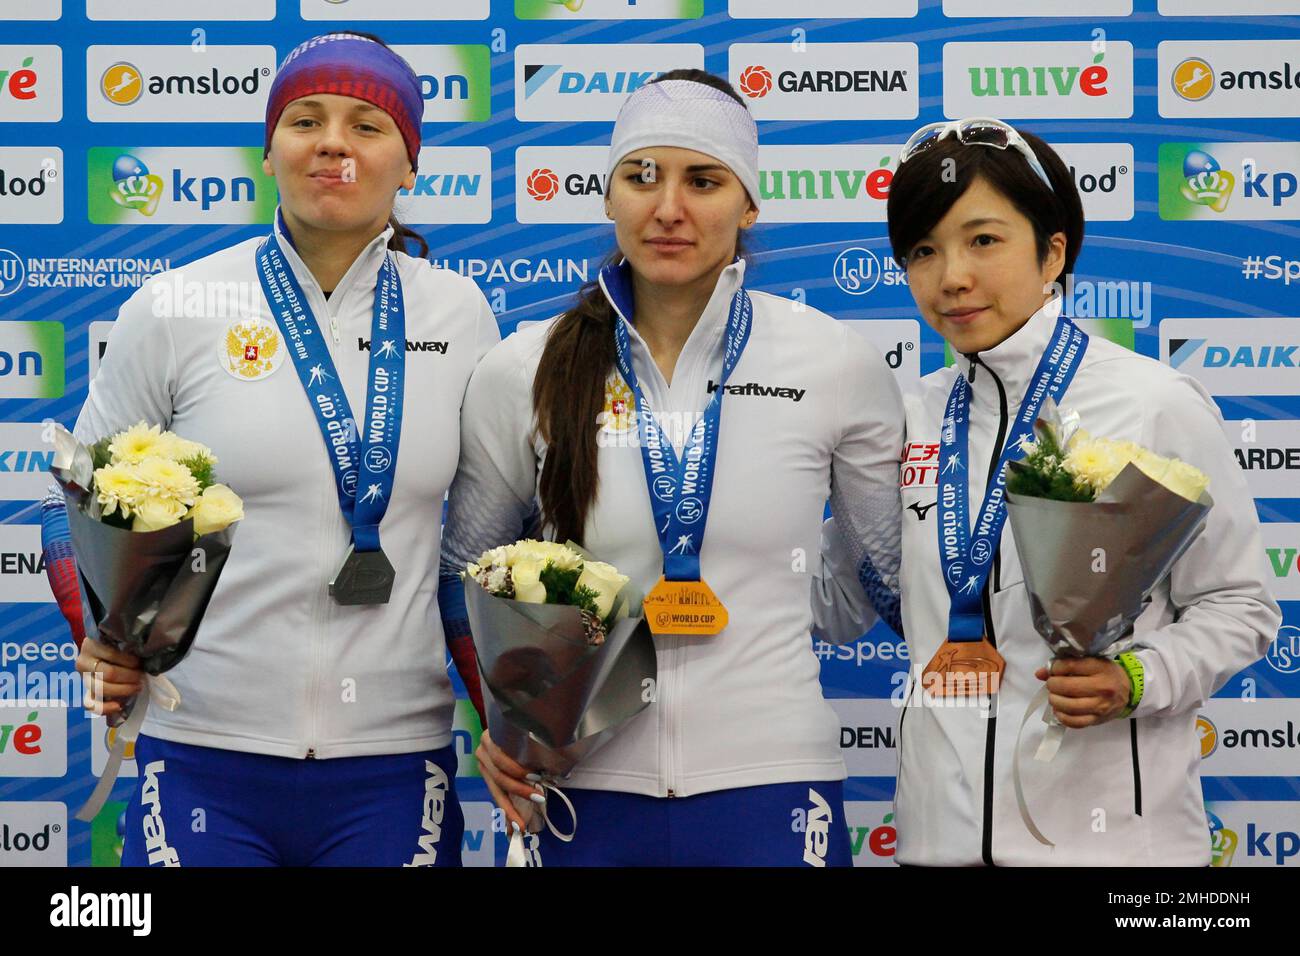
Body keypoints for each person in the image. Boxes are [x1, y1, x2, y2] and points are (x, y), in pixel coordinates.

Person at [51, 31, 498, 866]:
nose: (333, 142)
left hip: (393, 761)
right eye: (306, 120)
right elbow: (64, 507)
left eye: (367, 125)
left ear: (410, 165)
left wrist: (515, 722)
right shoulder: (178, 305)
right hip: (204, 748)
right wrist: (105, 637)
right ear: (268, 151)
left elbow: (473, 555)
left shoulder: (460, 314)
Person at [438, 70, 905, 866]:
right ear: (610, 195)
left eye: (704, 180)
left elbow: (882, 572)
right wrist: (506, 722)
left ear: (749, 204)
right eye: (642, 176)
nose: (669, 208)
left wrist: (779, 606)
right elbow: (464, 575)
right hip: (582, 791)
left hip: (772, 786)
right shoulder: (526, 369)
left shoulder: (832, 362)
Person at [880, 117, 1281, 865]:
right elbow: (867, 589)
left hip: (1118, 850)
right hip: (937, 843)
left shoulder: (1155, 402)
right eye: (923, 251)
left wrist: (1137, 676)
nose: (952, 277)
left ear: (1053, 251)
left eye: (984, 241)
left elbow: (1241, 604)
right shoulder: (910, 417)